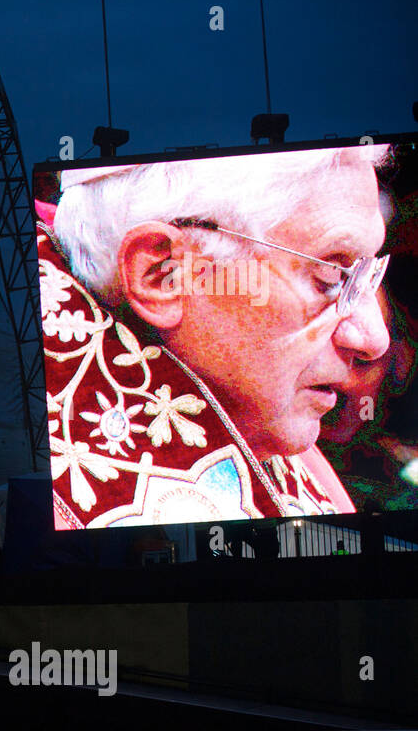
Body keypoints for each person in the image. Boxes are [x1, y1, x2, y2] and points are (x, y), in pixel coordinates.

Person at [41, 144, 391, 527]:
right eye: (331, 277)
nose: (374, 339)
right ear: (163, 274)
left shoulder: (276, 441)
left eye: (369, 274)